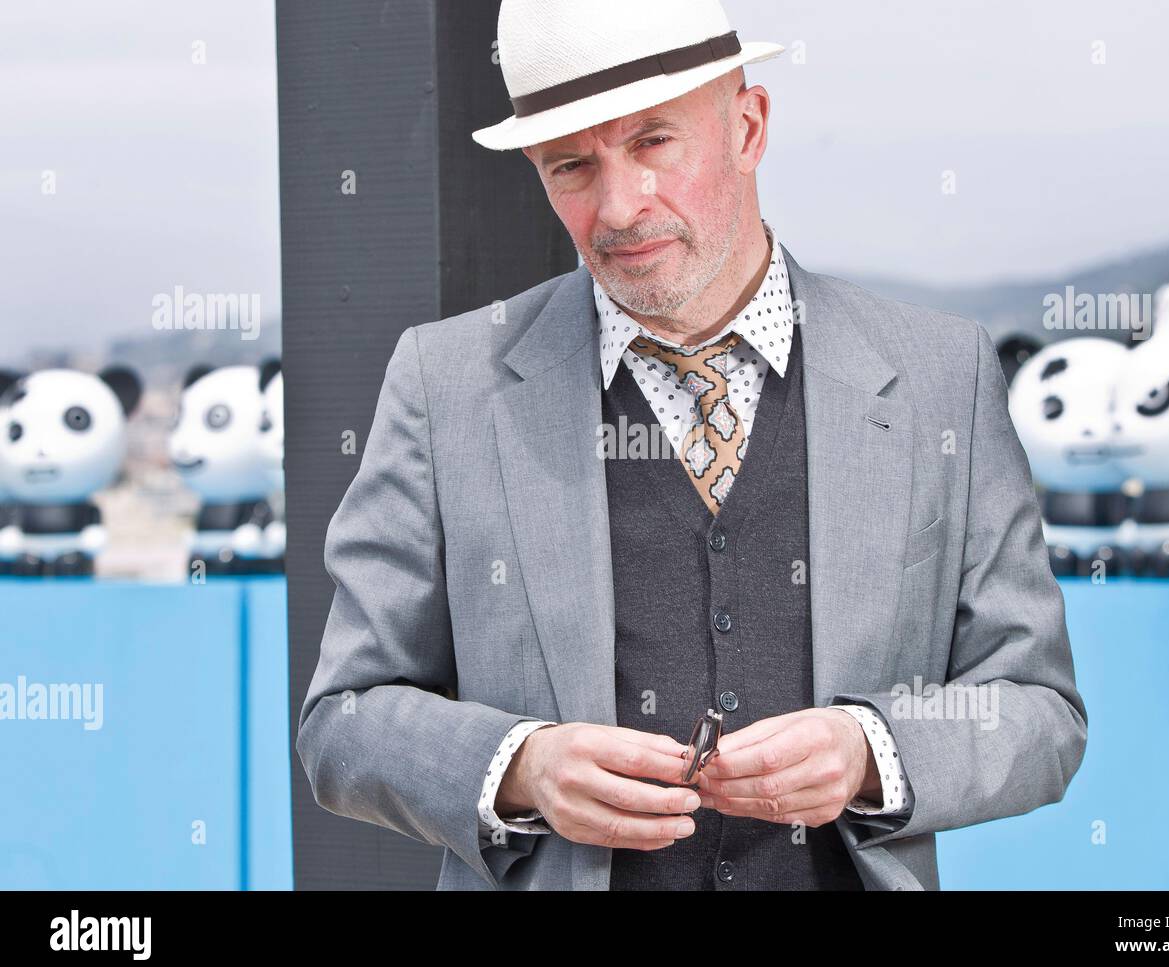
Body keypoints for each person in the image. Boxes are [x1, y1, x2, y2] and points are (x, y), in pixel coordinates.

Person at [297, 0, 1087, 891]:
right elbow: (343, 721)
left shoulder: (945, 375)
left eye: (654, 143)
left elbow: (1040, 713)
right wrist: (520, 769)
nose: (621, 207)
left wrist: (872, 753)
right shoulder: (446, 385)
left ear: (748, 127)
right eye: (571, 167)